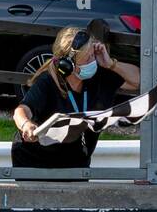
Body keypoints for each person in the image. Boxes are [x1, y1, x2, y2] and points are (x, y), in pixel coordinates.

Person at [11, 24, 141, 169]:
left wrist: (110, 64)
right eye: (87, 59)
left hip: (76, 161)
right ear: (67, 65)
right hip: (35, 161)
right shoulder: (47, 81)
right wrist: (26, 125)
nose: (92, 61)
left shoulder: (100, 74)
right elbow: (22, 110)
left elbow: (138, 81)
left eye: (93, 55)